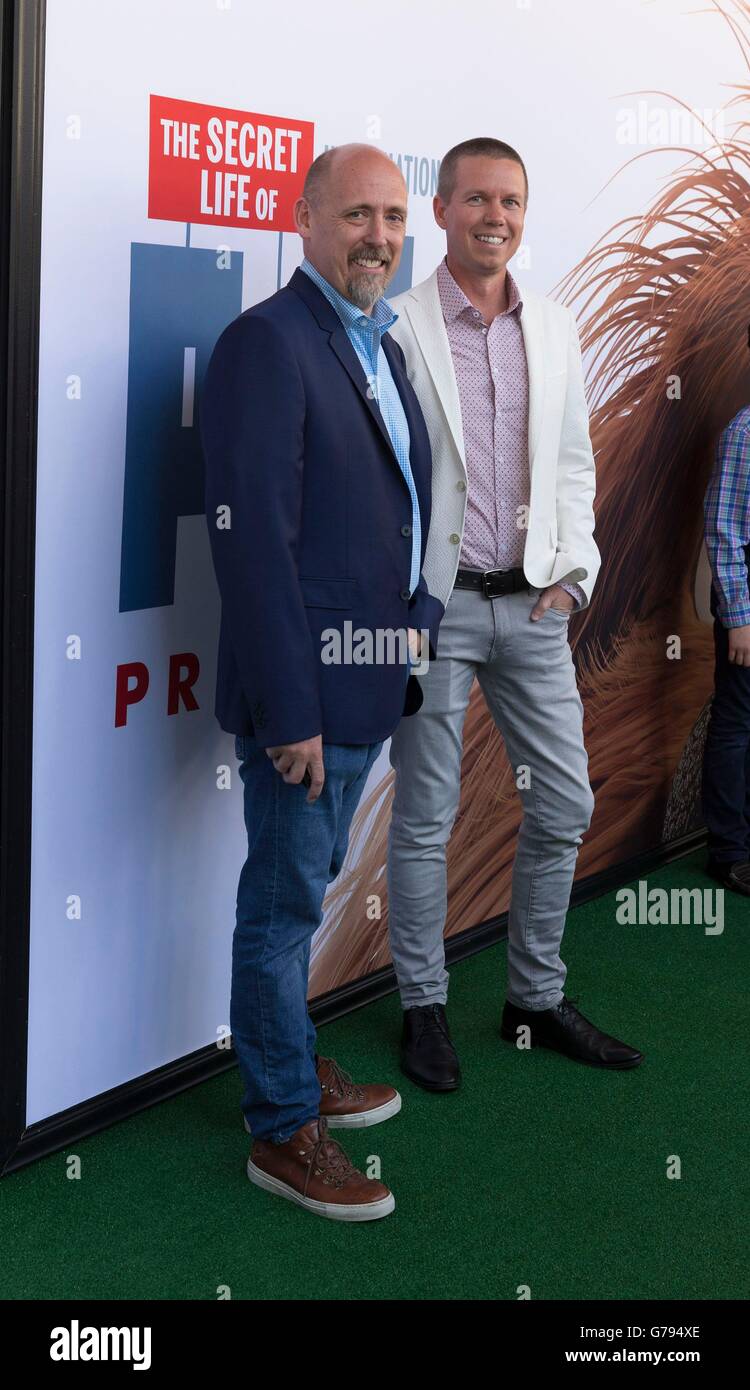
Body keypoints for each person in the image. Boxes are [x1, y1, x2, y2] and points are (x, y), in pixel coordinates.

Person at [200, 143, 443, 1219]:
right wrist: (288, 712)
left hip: (366, 685)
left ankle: (293, 1064)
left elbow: (399, 516)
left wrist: (419, 632)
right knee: (284, 905)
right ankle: (280, 1128)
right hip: (303, 703)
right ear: (303, 221)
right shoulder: (267, 343)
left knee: (304, 892)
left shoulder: (377, 342)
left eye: (393, 216)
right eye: (357, 216)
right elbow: (252, 545)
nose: (380, 236)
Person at [386, 137, 643, 1090]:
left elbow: (573, 464)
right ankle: (423, 1007)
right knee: (424, 819)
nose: (497, 215)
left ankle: (533, 994)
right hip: (436, 612)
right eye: (478, 199)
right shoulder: (400, 327)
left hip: (533, 608)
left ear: (524, 216)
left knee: (567, 802)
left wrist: (573, 577)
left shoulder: (557, 327)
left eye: (512, 201)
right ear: (443, 208)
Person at [703, 403, 750, 894]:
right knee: (737, 721)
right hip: (748, 607)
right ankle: (730, 852)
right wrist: (740, 619)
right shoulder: (744, 432)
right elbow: (725, 530)